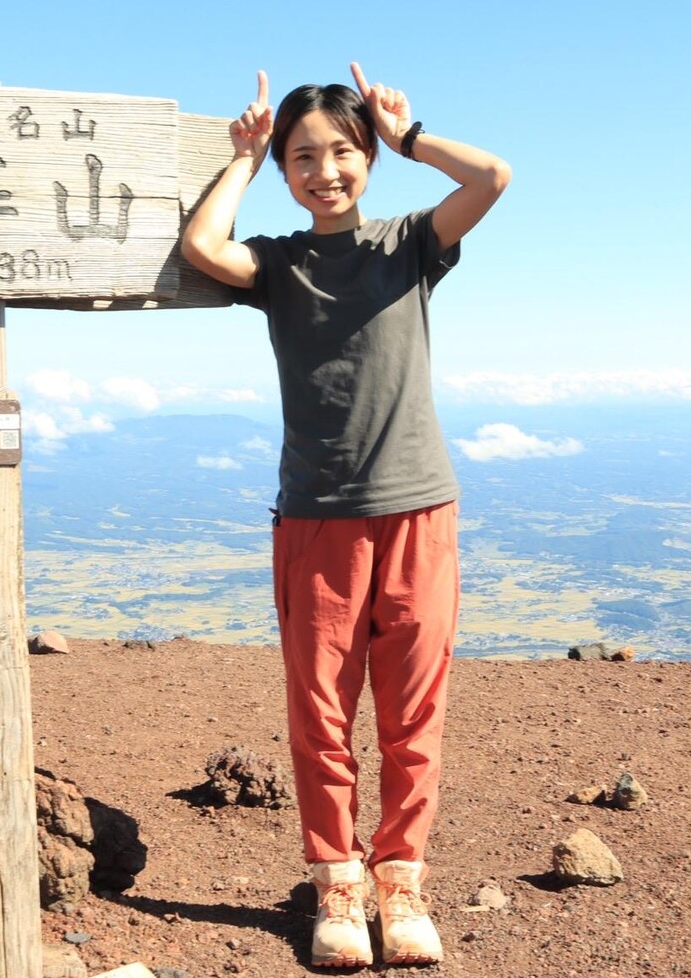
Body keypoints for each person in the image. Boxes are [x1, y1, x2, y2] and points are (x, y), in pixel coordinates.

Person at [179, 64, 510, 968]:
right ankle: (337, 885)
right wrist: (242, 160)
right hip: (317, 517)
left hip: (418, 511)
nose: (324, 170)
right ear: (286, 170)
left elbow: (490, 178)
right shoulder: (281, 264)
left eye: (341, 151)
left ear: (367, 155)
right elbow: (206, 246)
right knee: (320, 712)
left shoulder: (408, 243)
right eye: (302, 157)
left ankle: (400, 879)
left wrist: (409, 135)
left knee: (413, 712)